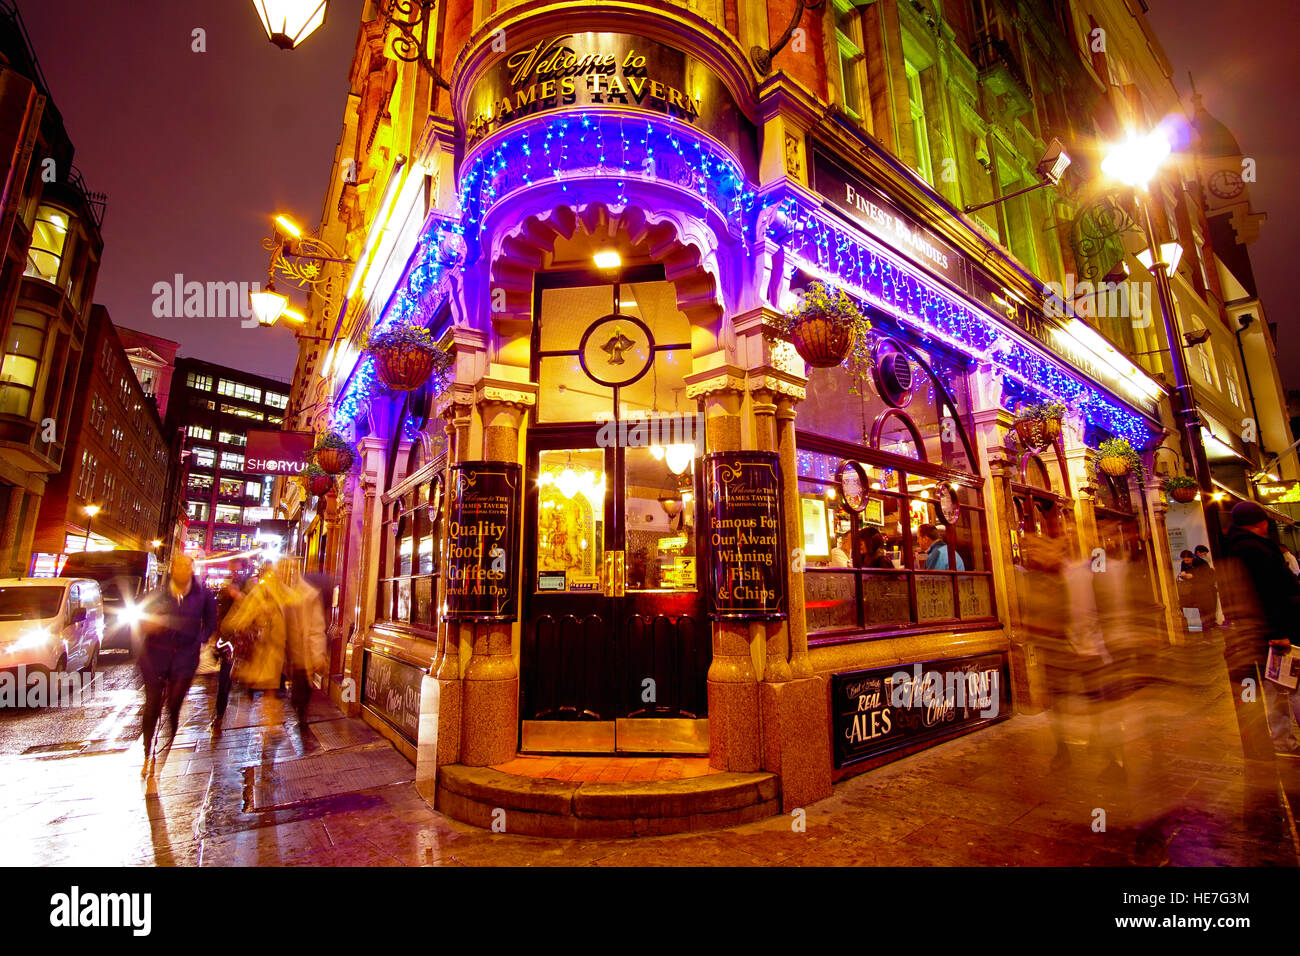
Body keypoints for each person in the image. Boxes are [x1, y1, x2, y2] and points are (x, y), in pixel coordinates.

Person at [1216, 500, 1300, 758]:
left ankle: (1282, 740)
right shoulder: (1256, 550)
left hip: (1254, 632)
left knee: (1276, 686)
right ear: (1260, 522)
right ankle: (1282, 740)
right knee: (1291, 686)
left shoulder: (1232, 547)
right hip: (1273, 632)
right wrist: (1279, 632)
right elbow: (1270, 593)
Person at [136, 552, 218, 777]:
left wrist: (199, 640)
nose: (181, 570)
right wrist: (151, 625)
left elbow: (211, 620)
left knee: (173, 705)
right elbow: (140, 622)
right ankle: (147, 754)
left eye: (185, 566)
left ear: (191, 569)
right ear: (173, 569)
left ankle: (164, 750)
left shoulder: (203, 596)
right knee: (152, 704)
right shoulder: (158, 595)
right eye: (178, 566)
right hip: (155, 656)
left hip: (184, 657)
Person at [210, 558, 252, 732]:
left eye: (237, 571)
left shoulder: (250, 586)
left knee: (240, 677)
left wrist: (239, 596)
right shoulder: (230, 587)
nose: (234, 574)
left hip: (241, 639)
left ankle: (241, 710)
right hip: (228, 639)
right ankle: (219, 714)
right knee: (224, 677)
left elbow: (255, 608)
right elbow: (220, 611)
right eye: (232, 571)